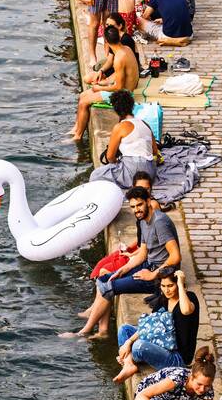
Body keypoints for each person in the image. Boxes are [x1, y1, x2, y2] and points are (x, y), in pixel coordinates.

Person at [67, 189, 181, 338]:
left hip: (160, 276)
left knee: (107, 287)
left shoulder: (160, 223)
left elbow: (175, 256)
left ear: (148, 201)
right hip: (148, 265)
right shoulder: (144, 220)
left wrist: (152, 274)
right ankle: (102, 331)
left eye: (139, 205)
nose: (136, 210)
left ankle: (85, 331)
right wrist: (123, 269)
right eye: (133, 207)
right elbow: (143, 252)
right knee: (104, 279)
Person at [114, 269, 200, 379]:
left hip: (177, 357)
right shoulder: (163, 300)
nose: (167, 290)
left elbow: (186, 310)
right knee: (124, 329)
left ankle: (128, 359)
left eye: (170, 286)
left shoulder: (190, 298)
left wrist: (180, 284)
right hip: (160, 343)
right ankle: (129, 363)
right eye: (163, 286)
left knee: (138, 346)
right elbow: (149, 326)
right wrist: (128, 342)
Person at [69, 25, 141, 141]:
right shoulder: (126, 49)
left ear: (106, 41)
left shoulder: (119, 59)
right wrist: (104, 83)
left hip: (124, 96)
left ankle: (78, 136)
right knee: (82, 95)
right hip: (125, 90)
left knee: (83, 102)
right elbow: (120, 78)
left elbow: (119, 87)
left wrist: (100, 89)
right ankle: (76, 128)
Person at [90, 89, 158, 188]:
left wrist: (117, 162)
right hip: (151, 172)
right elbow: (155, 151)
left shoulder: (120, 127)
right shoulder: (144, 123)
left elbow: (110, 157)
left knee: (95, 175)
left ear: (115, 109)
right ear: (132, 106)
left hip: (134, 171)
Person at [133, 346, 216, 400]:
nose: (202, 389)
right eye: (199, 384)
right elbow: (141, 396)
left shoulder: (208, 390)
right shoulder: (177, 378)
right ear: (192, 377)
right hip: (153, 395)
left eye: (207, 386)